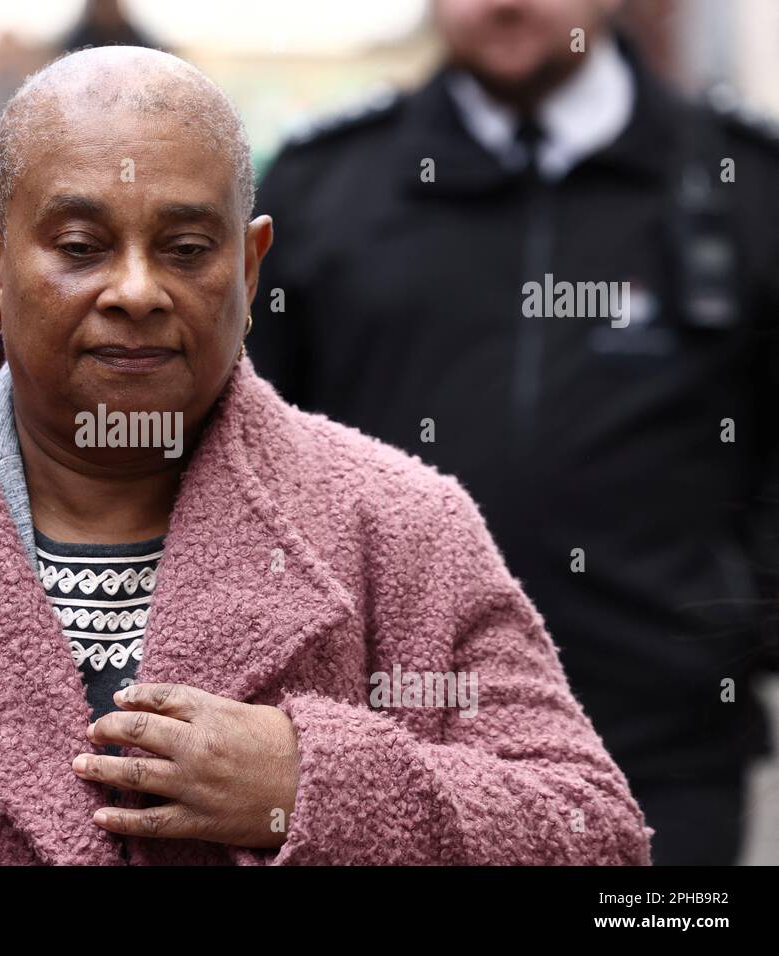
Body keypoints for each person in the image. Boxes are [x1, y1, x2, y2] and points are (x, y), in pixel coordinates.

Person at [0, 46, 651, 865]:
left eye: (184, 248)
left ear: (250, 266)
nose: (134, 289)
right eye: (79, 246)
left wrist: (311, 786)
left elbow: (594, 835)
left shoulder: (397, 528)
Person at [246, 0, 779, 865]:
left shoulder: (743, 182)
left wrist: (730, 627)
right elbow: (251, 445)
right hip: (391, 755)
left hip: (665, 757)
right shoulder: (323, 187)